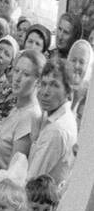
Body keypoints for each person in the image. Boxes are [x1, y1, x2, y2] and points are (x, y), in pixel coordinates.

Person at [27, 60, 79, 196]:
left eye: (54, 85)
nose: (45, 92)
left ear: (68, 91)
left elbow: (30, 182)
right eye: (43, 84)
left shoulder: (57, 129)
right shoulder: (50, 116)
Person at [0, 48, 44, 172]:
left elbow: (13, 173)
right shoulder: (17, 107)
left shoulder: (30, 115)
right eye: (17, 71)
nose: (17, 78)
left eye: (26, 74)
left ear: (38, 82)